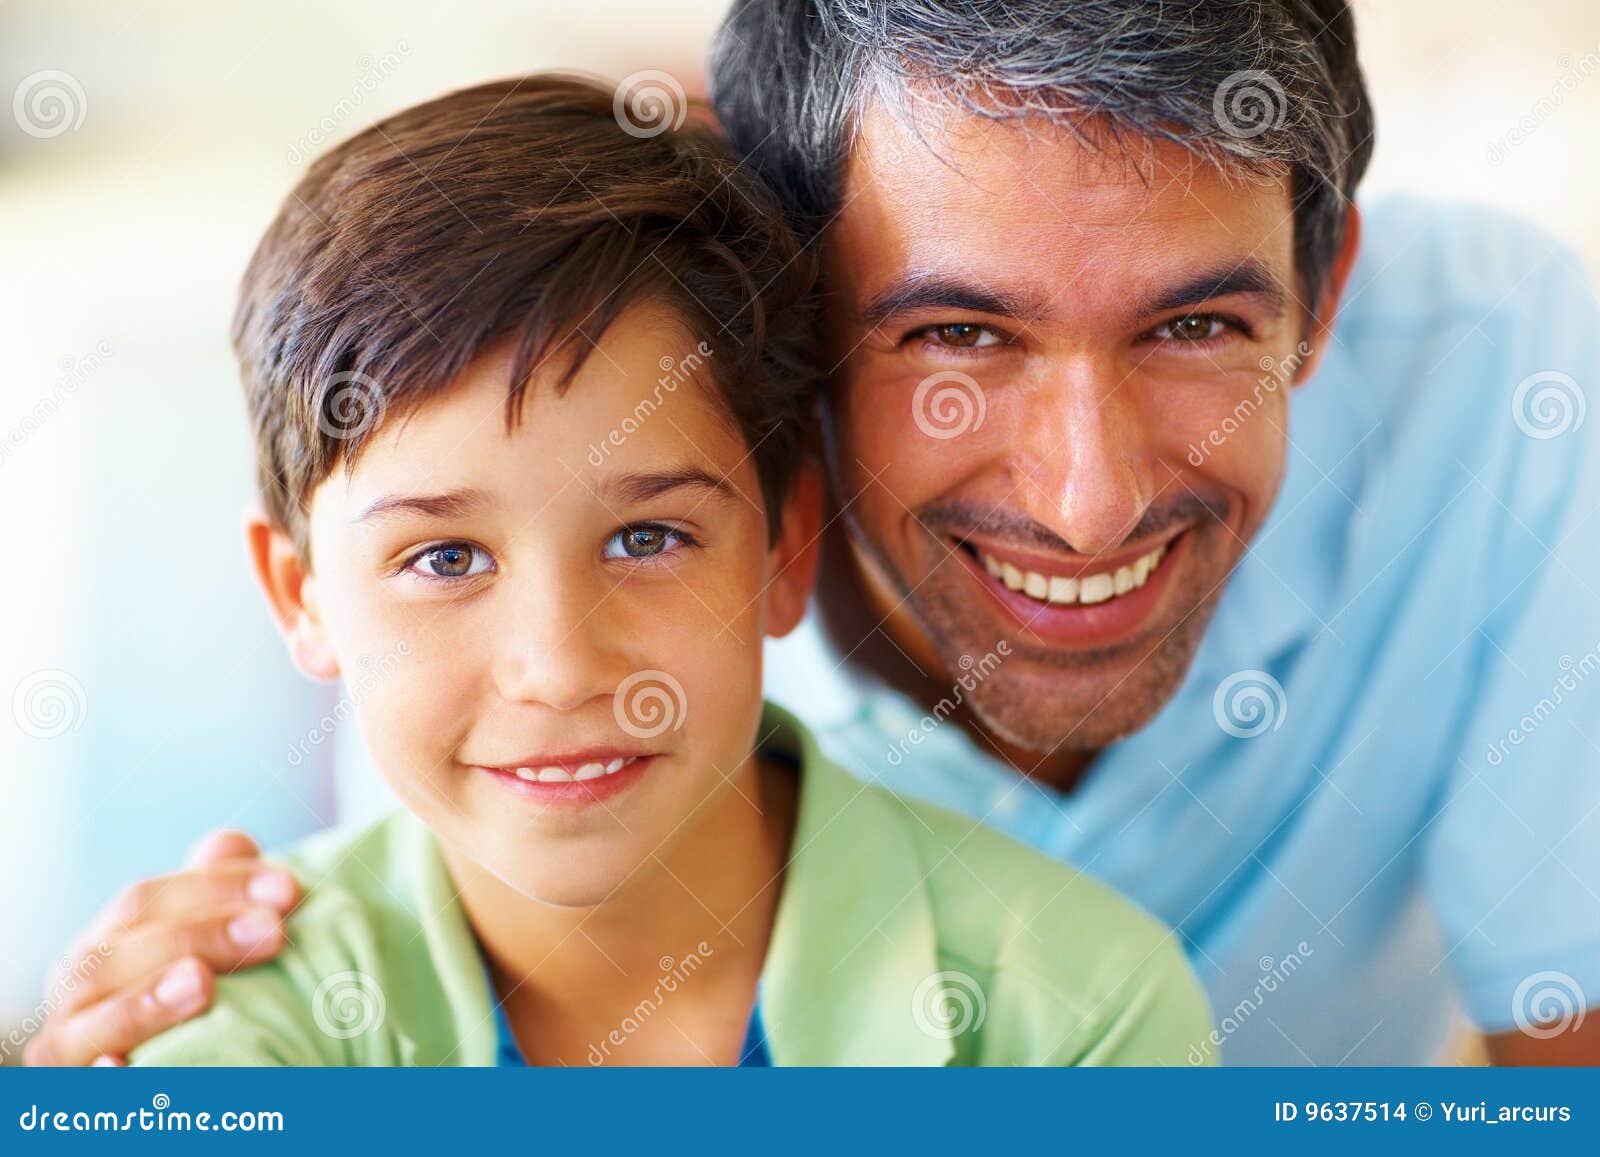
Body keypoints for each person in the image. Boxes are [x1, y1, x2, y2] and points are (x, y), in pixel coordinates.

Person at [30, 0, 1600, 1066]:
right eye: (957, 337)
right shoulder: (551, 707)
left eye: (1193, 323)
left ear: (1320, 300)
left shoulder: (1507, 374)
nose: (1089, 497)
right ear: (789, 311)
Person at [91, 74, 1209, 1067]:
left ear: (786, 547)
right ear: (301, 594)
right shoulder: (231, 1046)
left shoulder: (1076, 1018)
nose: (560, 667)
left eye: (647, 538)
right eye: (443, 556)